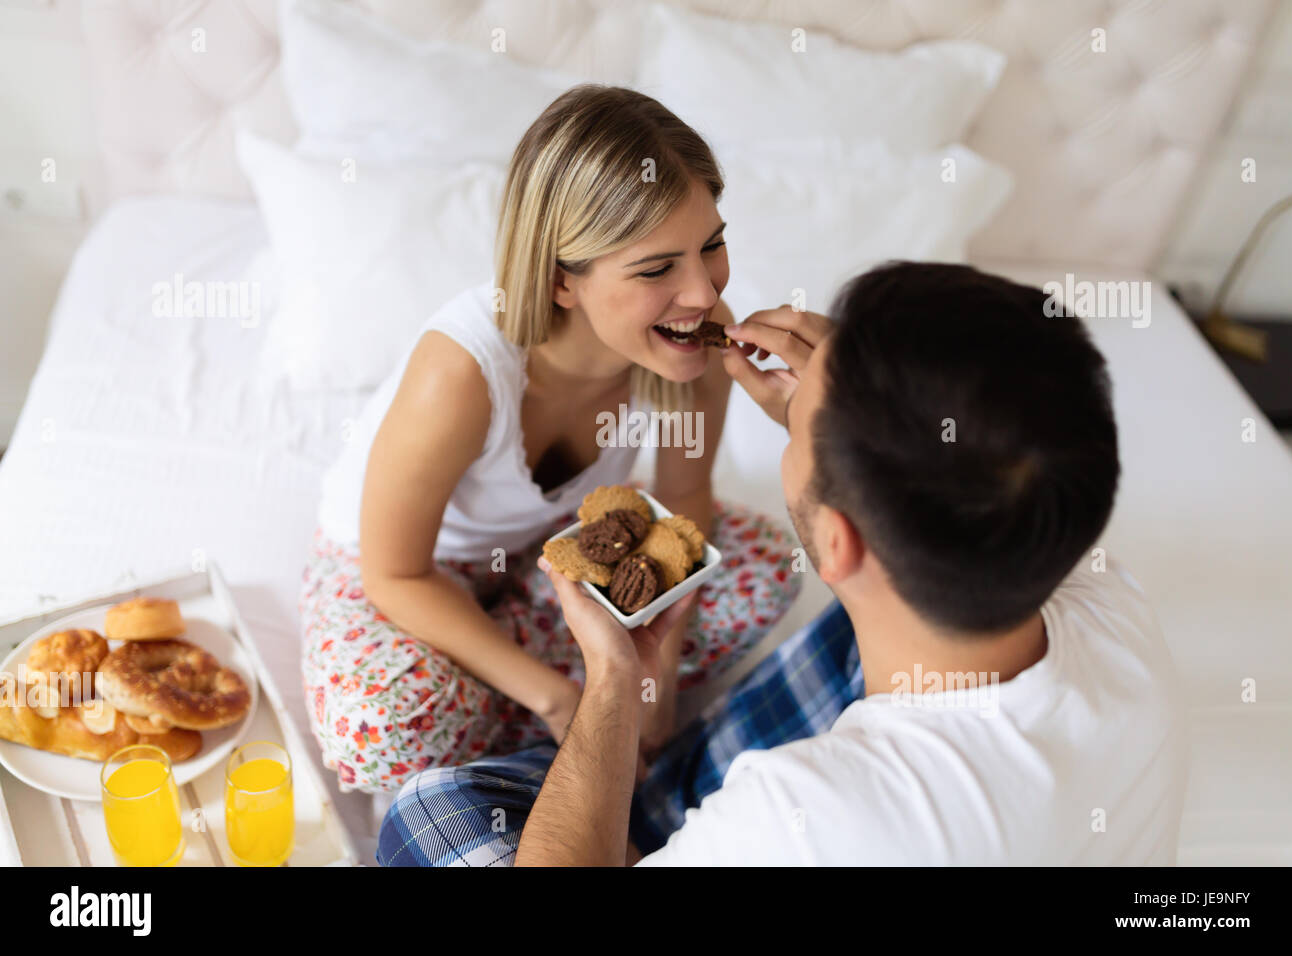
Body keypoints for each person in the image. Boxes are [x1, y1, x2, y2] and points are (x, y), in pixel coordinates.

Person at [378, 261, 1190, 865]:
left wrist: (616, 682)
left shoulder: (805, 817)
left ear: (836, 542)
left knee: (425, 814)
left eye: (802, 426)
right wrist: (857, 403)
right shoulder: (1116, 613)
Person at [298, 85, 801, 795]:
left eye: (712, 246)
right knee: (375, 723)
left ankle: (501, 719)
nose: (701, 290)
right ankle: (546, 705)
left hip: (546, 555)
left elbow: (684, 500)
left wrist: (654, 673)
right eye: (657, 268)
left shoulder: (692, 338)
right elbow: (394, 574)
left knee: (769, 571)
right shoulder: (463, 371)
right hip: (408, 574)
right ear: (563, 281)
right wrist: (564, 700)